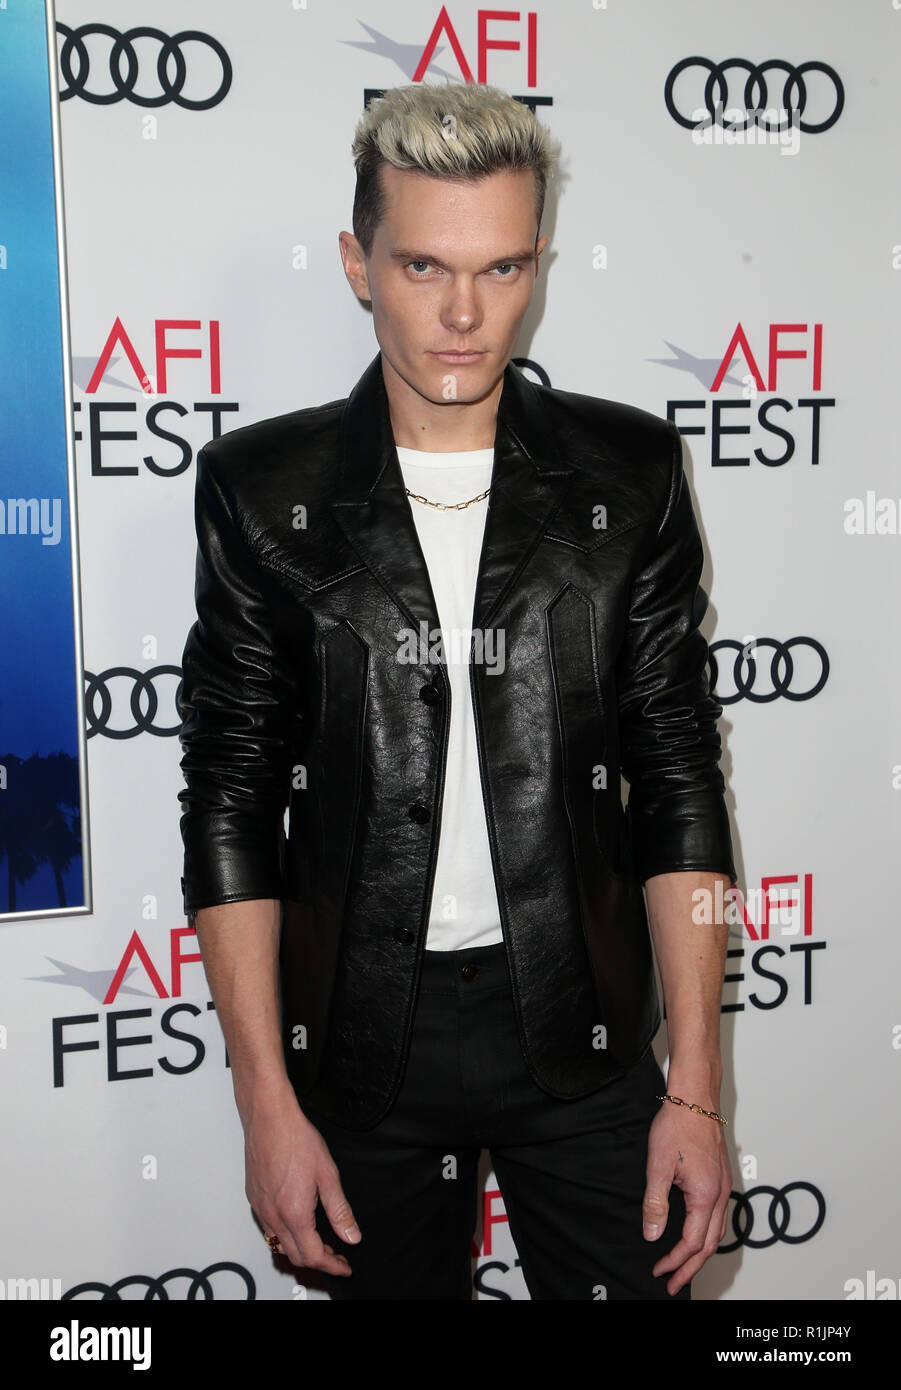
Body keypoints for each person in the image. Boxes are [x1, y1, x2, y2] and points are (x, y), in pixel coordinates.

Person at [177, 80, 737, 1301]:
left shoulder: (627, 471)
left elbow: (678, 775)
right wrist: (263, 1101)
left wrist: (694, 1087)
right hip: (360, 1046)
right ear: (355, 262)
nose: (465, 316)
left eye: (501, 268)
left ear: (539, 260)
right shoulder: (260, 490)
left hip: (584, 1034)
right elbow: (229, 800)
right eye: (423, 265)